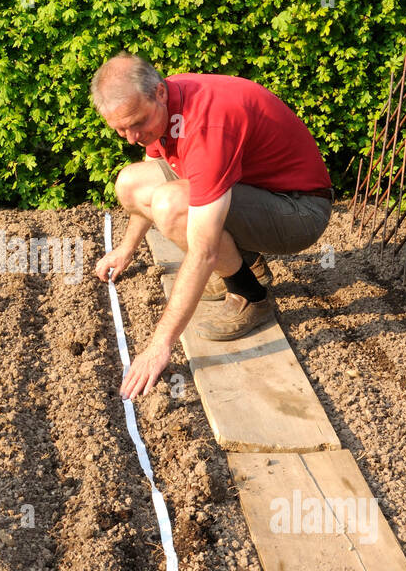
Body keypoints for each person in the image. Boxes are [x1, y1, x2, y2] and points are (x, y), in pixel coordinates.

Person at [90, 52, 333, 399]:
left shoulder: (205, 122)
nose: (131, 137)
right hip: (257, 193)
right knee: (131, 182)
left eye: (137, 123)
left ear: (159, 92)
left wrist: (160, 344)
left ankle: (252, 294)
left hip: (298, 211)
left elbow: (203, 250)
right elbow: (153, 170)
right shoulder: (166, 106)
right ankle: (247, 263)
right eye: (120, 129)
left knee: (172, 205)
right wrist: (126, 249)